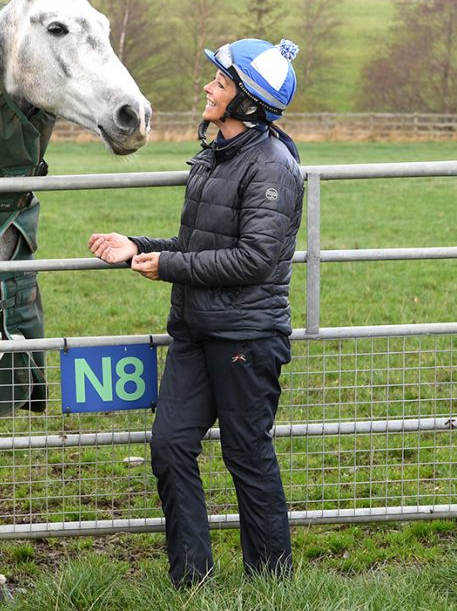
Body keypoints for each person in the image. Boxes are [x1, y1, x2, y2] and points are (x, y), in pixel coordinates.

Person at [88, 38, 304, 587]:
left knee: (246, 455)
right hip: (196, 329)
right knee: (169, 445)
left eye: (221, 83)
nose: (208, 88)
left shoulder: (273, 168)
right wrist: (135, 247)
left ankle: (273, 582)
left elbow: (253, 259)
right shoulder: (216, 156)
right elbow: (196, 242)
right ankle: (193, 579)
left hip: (245, 336)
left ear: (248, 104)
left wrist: (171, 268)